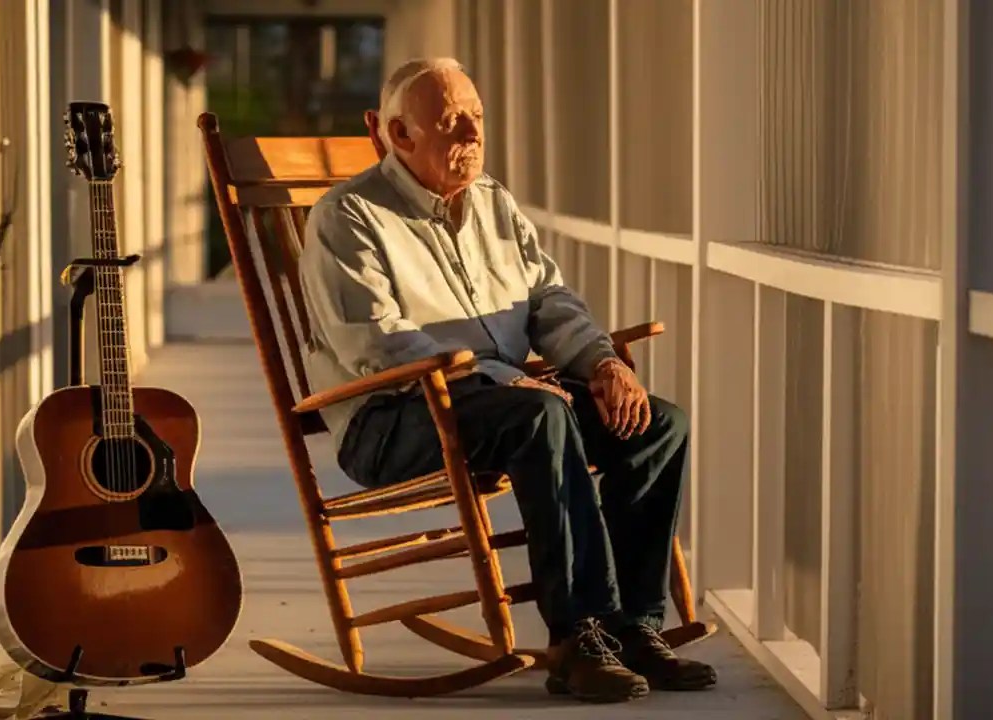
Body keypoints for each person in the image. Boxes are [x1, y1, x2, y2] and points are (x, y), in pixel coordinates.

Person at [298, 57, 716, 704]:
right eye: (450, 121)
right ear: (396, 135)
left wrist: (601, 364)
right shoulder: (347, 218)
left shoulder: (492, 200)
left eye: (477, 116)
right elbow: (377, 344)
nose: (472, 132)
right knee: (539, 419)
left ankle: (635, 626)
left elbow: (547, 297)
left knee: (658, 426)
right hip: (392, 417)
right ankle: (578, 637)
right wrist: (498, 378)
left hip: (502, 404)